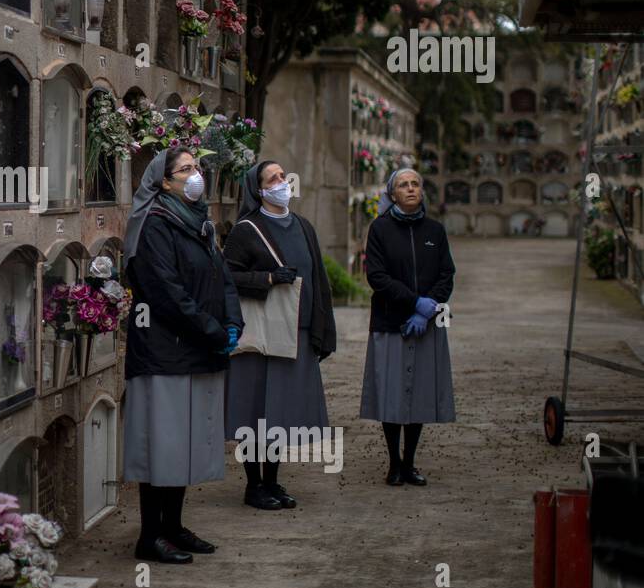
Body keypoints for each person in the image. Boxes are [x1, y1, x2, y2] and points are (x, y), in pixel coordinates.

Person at [122, 148, 244, 564]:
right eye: (186, 169)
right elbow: (166, 294)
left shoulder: (199, 223)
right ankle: (150, 535)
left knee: (186, 444)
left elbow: (222, 277)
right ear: (165, 182)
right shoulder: (156, 226)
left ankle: (173, 526)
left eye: (198, 168)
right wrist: (212, 332)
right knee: (163, 444)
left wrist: (233, 323)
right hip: (164, 354)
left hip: (198, 350)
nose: (197, 175)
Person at [223, 160, 337, 510]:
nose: (281, 181)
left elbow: (318, 279)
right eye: (271, 178)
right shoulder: (247, 229)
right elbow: (226, 277)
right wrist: (268, 279)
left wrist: (323, 331)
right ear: (258, 190)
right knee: (254, 410)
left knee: (278, 413)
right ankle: (253, 484)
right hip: (261, 334)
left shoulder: (303, 226)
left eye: (282, 175)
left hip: (296, 333)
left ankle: (272, 481)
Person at [360, 167, 456, 486]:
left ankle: (411, 462)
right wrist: (413, 302)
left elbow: (447, 274)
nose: (411, 188)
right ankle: (394, 462)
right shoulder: (380, 229)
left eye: (416, 183)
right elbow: (377, 276)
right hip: (391, 322)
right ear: (393, 193)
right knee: (391, 394)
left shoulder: (435, 231)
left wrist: (428, 309)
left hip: (425, 324)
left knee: (418, 396)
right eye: (403, 185)